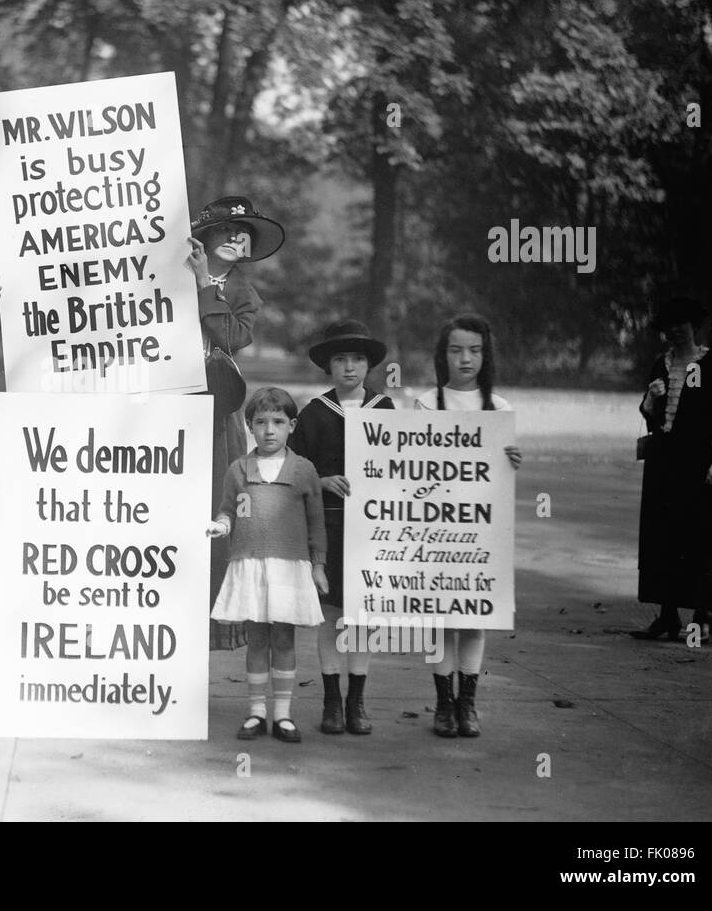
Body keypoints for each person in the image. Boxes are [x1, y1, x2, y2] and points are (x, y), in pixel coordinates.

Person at [186, 195, 285, 650]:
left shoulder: (244, 294)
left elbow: (231, 336)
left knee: (209, 510)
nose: (235, 237)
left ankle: (206, 623)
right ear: (206, 234)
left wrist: (206, 285)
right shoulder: (165, 272)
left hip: (213, 414)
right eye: (226, 229)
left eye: (243, 233)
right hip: (157, 406)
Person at [415, 314, 522, 737]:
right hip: (438, 528)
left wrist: (512, 461)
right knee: (442, 618)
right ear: (443, 355)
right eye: (456, 350)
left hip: (480, 530)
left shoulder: (499, 407)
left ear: (486, 354)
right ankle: (443, 703)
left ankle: (469, 702)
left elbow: (502, 475)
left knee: (474, 617)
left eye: (475, 350)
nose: (465, 359)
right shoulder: (428, 402)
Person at [289, 320, 394, 735]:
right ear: (328, 366)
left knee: (364, 615)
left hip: (372, 530)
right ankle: (332, 701)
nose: (349, 367)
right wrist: (321, 480)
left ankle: (357, 700)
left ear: (368, 365)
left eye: (358, 359)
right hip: (329, 525)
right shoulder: (314, 413)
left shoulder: (385, 410)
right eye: (340, 359)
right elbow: (293, 469)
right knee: (331, 613)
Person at [207, 387, 329, 742]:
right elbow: (229, 509)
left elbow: (316, 523)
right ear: (249, 427)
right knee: (257, 639)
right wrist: (221, 525)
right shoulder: (239, 470)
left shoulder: (304, 471)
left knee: (284, 639)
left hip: (289, 567)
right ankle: (257, 712)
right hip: (251, 564)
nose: (270, 430)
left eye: (278, 422)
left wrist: (318, 566)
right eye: (260, 422)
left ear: (292, 426)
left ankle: (283, 714)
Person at [630, 297, 712, 641]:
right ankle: (667, 615)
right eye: (668, 326)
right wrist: (651, 400)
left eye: (681, 324)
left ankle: (700, 617)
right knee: (662, 537)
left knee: (698, 537)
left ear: (694, 325)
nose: (674, 331)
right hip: (664, 464)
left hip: (697, 464)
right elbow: (650, 415)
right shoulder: (661, 364)